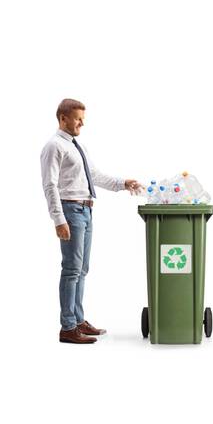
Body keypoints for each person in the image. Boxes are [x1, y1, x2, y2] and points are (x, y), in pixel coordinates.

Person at [39, 98, 143, 344]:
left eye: (82, 120)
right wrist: (58, 219)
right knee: (71, 270)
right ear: (63, 118)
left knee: (82, 269)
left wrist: (122, 184)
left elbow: (93, 175)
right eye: (78, 119)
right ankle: (67, 327)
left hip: (86, 211)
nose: (81, 124)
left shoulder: (78, 146)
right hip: (71, 211)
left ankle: (77, 319)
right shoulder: (54, 146)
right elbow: (49, 185)